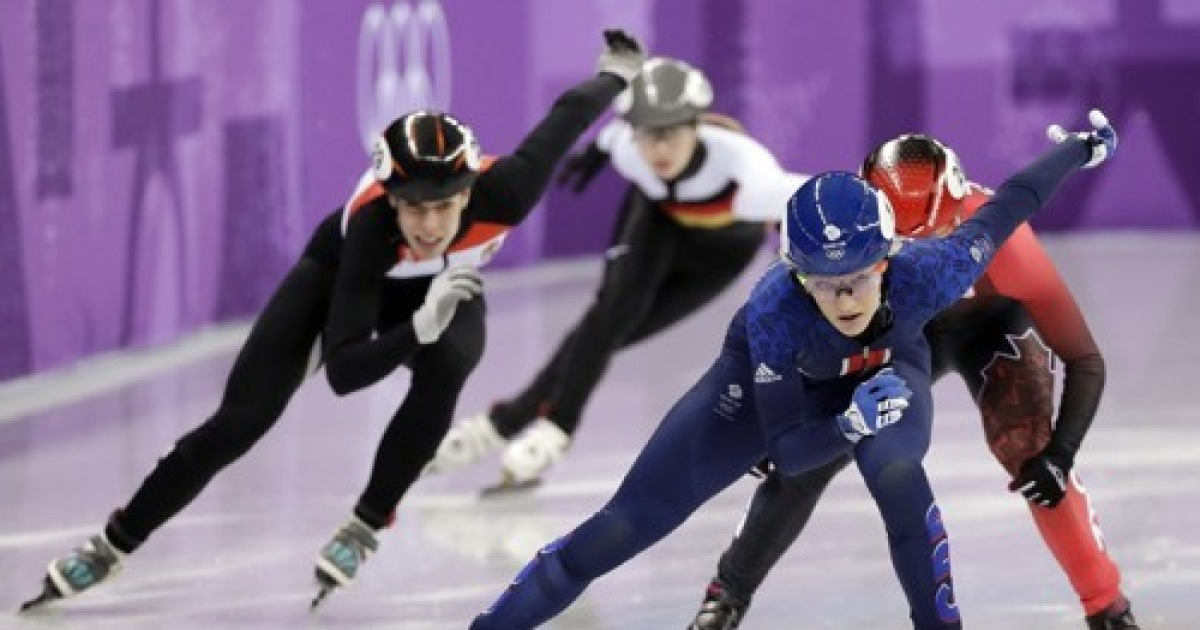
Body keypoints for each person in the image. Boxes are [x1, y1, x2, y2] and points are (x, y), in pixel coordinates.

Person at [18, 29, 647, 612]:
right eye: (412, 208)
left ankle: (369, 520)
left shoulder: (507, 190)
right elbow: (344, 374)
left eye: (444, 206)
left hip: (445, 292)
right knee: (240, 422)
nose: (429, 225)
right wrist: (416, 330)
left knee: (452, 362)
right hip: (341, 280)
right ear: (390, 201)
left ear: (469, 192)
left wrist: (616, 74)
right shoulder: (372, 229)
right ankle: (114, 542)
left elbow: (568, 117)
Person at [468, 111, 1118, 630]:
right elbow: (788, 453)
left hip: (887, 372)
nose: (846, 300)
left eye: (860, 278)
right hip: (782, 388)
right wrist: (847, 423)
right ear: (795, 274)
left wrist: (1083, 148)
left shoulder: (934, 270)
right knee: (621, 527)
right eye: (825, 284)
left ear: (889, 258)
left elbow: (1013, 199)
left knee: (895, 471)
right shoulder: (773, 314)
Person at [687, 134, 1140, 630]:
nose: (923, 260)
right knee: (813, 453)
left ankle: (1107, 606)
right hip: (900, 331)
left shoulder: (1006, 241)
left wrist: (1060, 454)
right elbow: (786, 324)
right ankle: (728, 592)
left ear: (961, 216)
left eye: (937, 237)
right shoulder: (849, 238)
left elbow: (1084, 358)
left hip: (988, 326)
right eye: (898, 247)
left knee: (1032, 451)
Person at [424, 57, 806, 491]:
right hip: (657, 223)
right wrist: (593, 154)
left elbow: (820, 196)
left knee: (612, 331)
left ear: (697, 124)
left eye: (669, 133)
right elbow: (611, 137)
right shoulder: (628, 148)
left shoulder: (748, 171)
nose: (657, 149)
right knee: (608, 318)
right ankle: (555, 430)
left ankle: (506, 420)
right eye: (645, 133)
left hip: (722, 253)